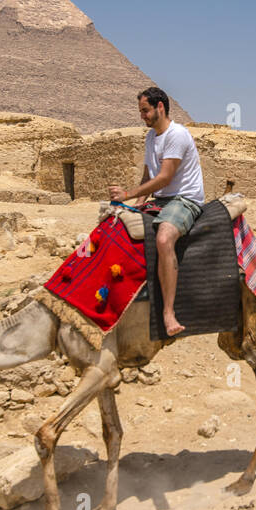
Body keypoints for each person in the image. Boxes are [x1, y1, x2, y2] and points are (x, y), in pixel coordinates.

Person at [108, 86, 205, 337]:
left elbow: (164, 177)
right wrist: (135, 203)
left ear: (160, 107)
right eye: (141, 111)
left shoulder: (177, 135)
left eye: (145, 110)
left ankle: (169, 312)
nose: (142, 116)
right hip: (160, 200)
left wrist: (127, 194)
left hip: (184, 199)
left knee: (164, 237)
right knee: (116, 225)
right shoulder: (151, 137)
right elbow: (147, 176)